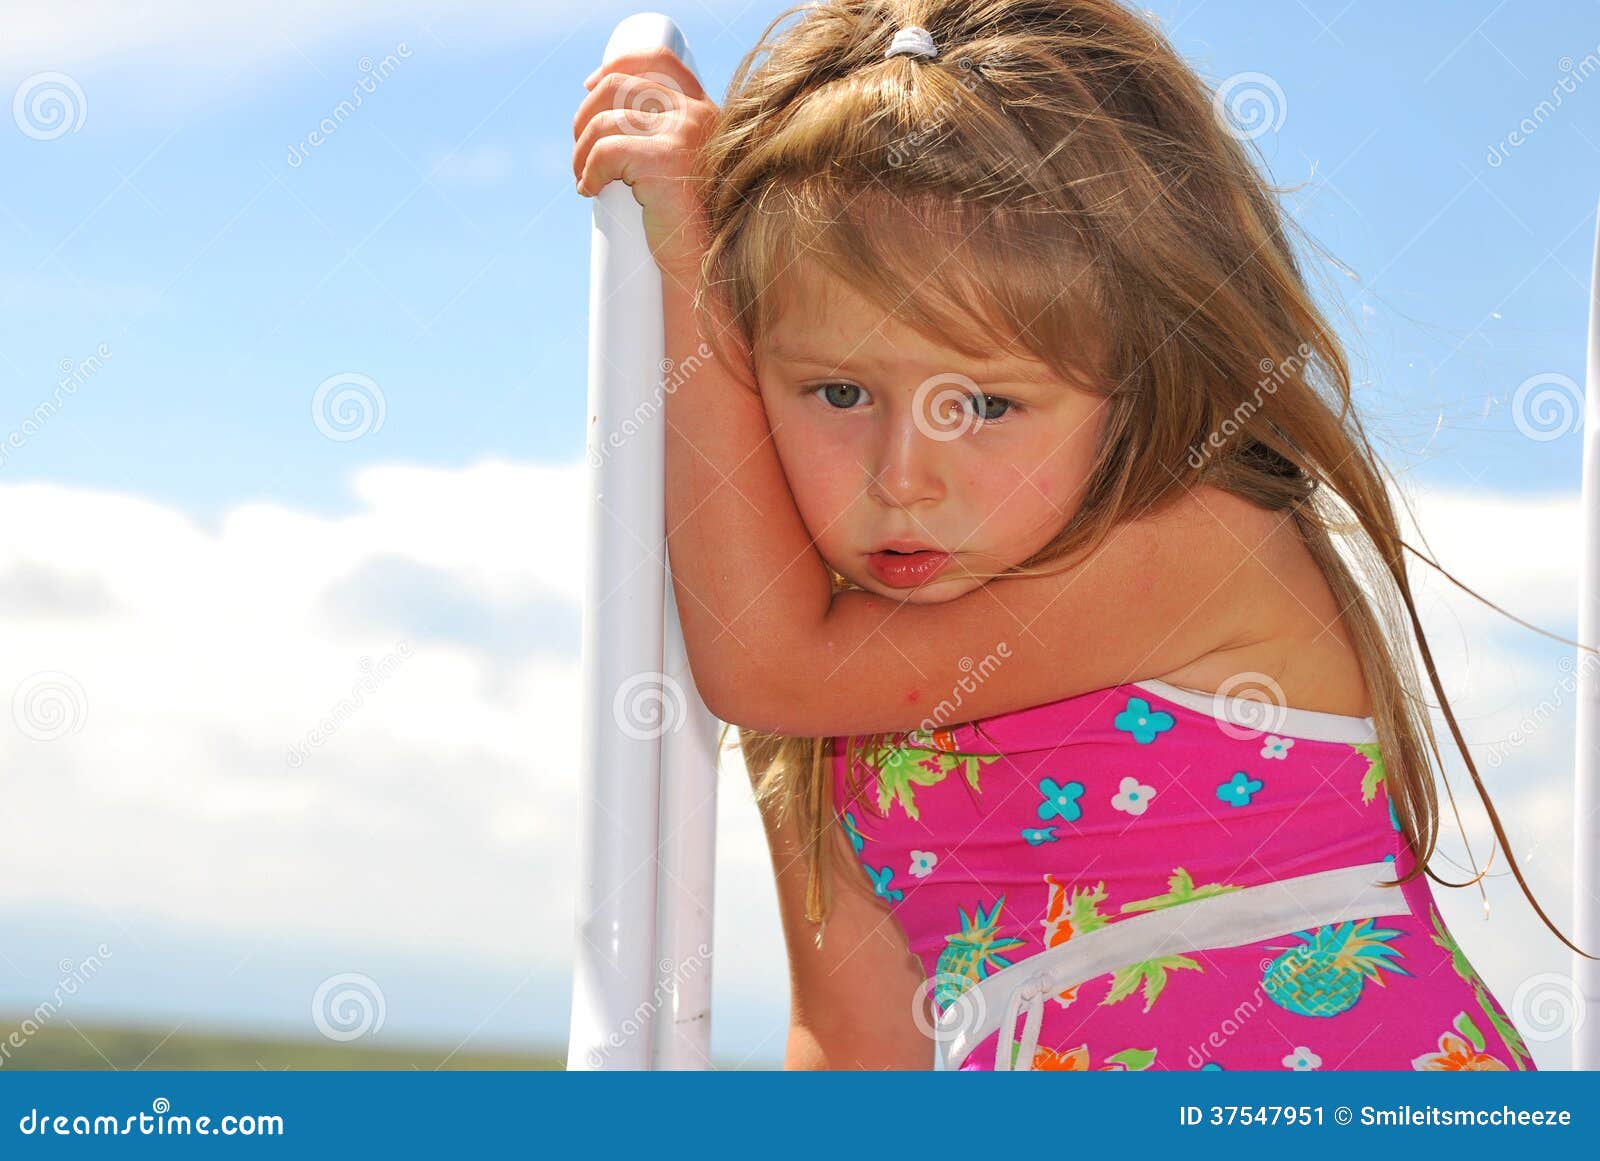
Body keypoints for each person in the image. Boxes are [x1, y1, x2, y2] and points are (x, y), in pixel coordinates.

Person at [571, 0, 1595, 1070]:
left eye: (988, 405)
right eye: (837, 389)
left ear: (1133, 380)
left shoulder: (1204, 540)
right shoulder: (832, 696)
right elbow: (856, 1036)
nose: (904, 477)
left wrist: (689, 251)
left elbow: (769, 665)